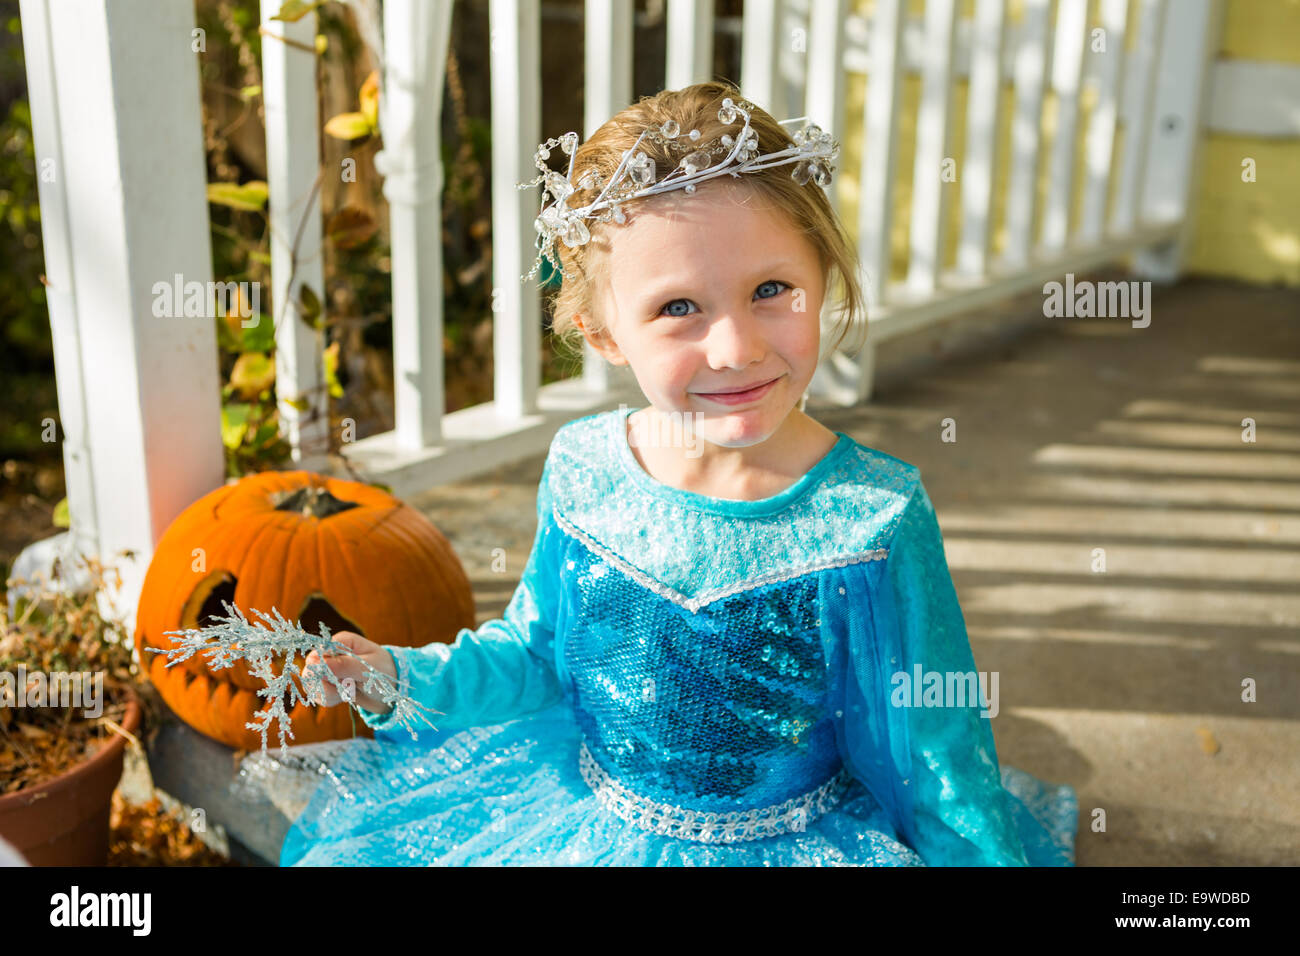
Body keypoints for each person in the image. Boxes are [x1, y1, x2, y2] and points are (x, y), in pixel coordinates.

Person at [268, 81, 1078, 866]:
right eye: (678, 309)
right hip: (587, 819)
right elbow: (534, 652)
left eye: (771, 290)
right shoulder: (585, 469)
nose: (736, 348)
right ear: (602, 331)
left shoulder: (869, 519)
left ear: (821, 280)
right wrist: (399, 676)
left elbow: (934, 751)